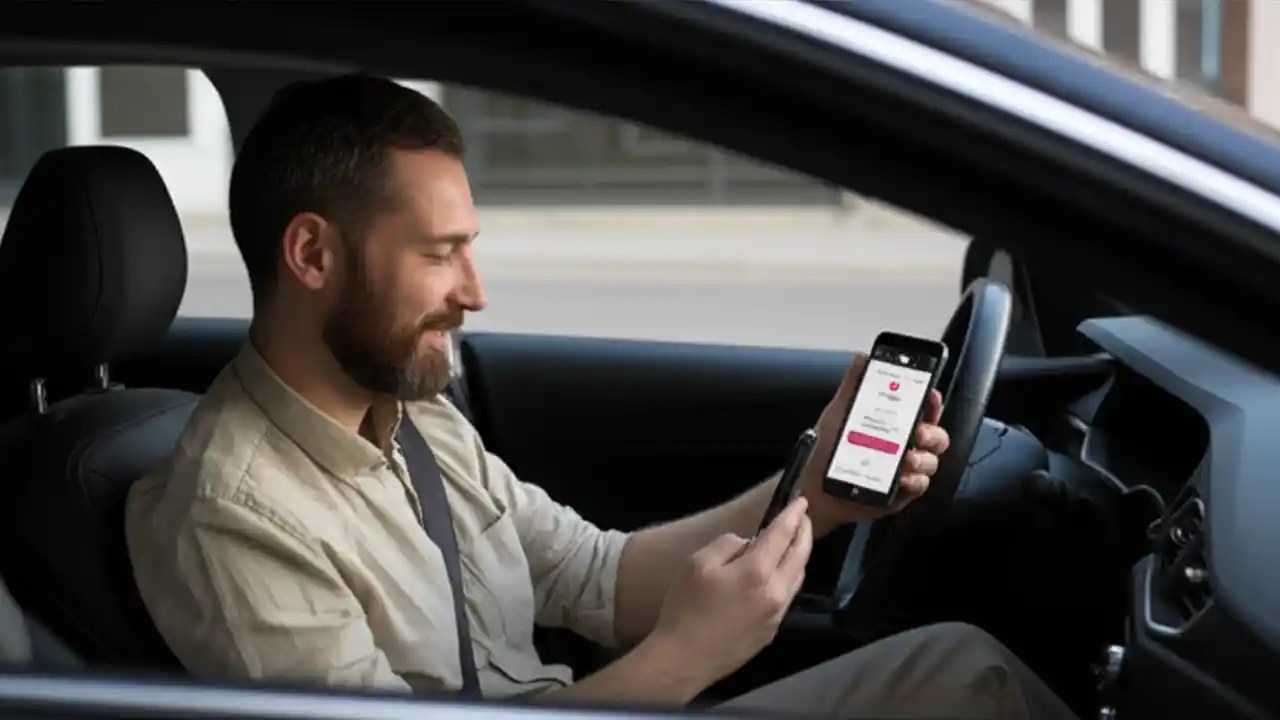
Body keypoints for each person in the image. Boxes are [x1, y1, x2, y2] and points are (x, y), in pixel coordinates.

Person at [125, 75, 1077, 719]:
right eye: (437, 254)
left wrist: (812, 494)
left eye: (472, 246)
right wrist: (684, 662)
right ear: (313, 256)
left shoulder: (416, 421)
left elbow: (599, 580)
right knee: (971, 683)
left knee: (961, 670)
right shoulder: (228, 516)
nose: (474, 291)